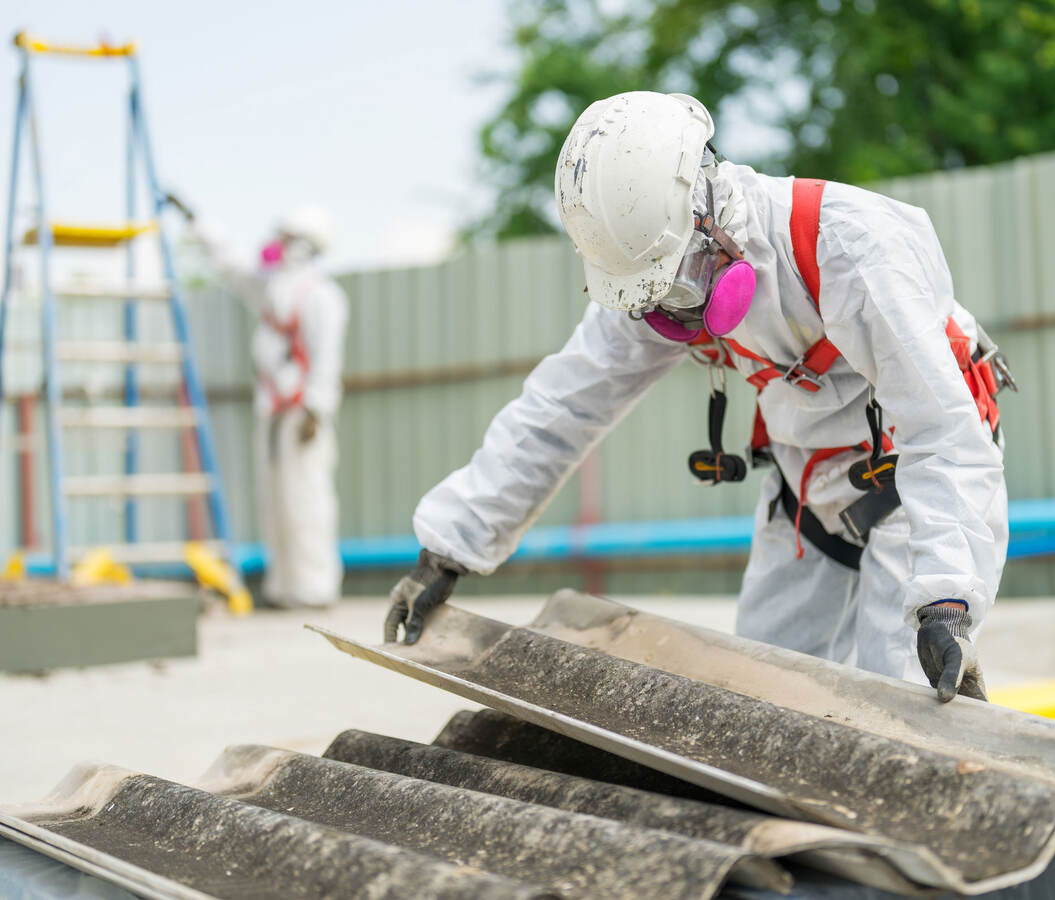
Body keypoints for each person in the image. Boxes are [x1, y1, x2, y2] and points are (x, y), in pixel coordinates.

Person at [385, 91, 1011, 702]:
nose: (669, 317)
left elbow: (940, 428)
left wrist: (947, 596)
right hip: (806, 488)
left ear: (711, 211)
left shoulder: (849, 247)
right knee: (760, 704)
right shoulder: (655, 272)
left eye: (678, 286)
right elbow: (563, 407)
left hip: (912, 481)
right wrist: (448, 549)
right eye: (652, 297)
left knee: (898, 708)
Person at [192, 206, 348, 609]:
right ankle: (284, 586)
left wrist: (316, 409)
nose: (277, 243)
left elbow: (326, 358)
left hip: (302, 416)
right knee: (274, 501)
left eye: (286, 236)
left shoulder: (323, 296)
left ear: (304, 244)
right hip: (273, 412)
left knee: (307, 500)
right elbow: (234, 269)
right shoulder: (274, 288)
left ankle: (315, 587)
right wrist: (200, 224)